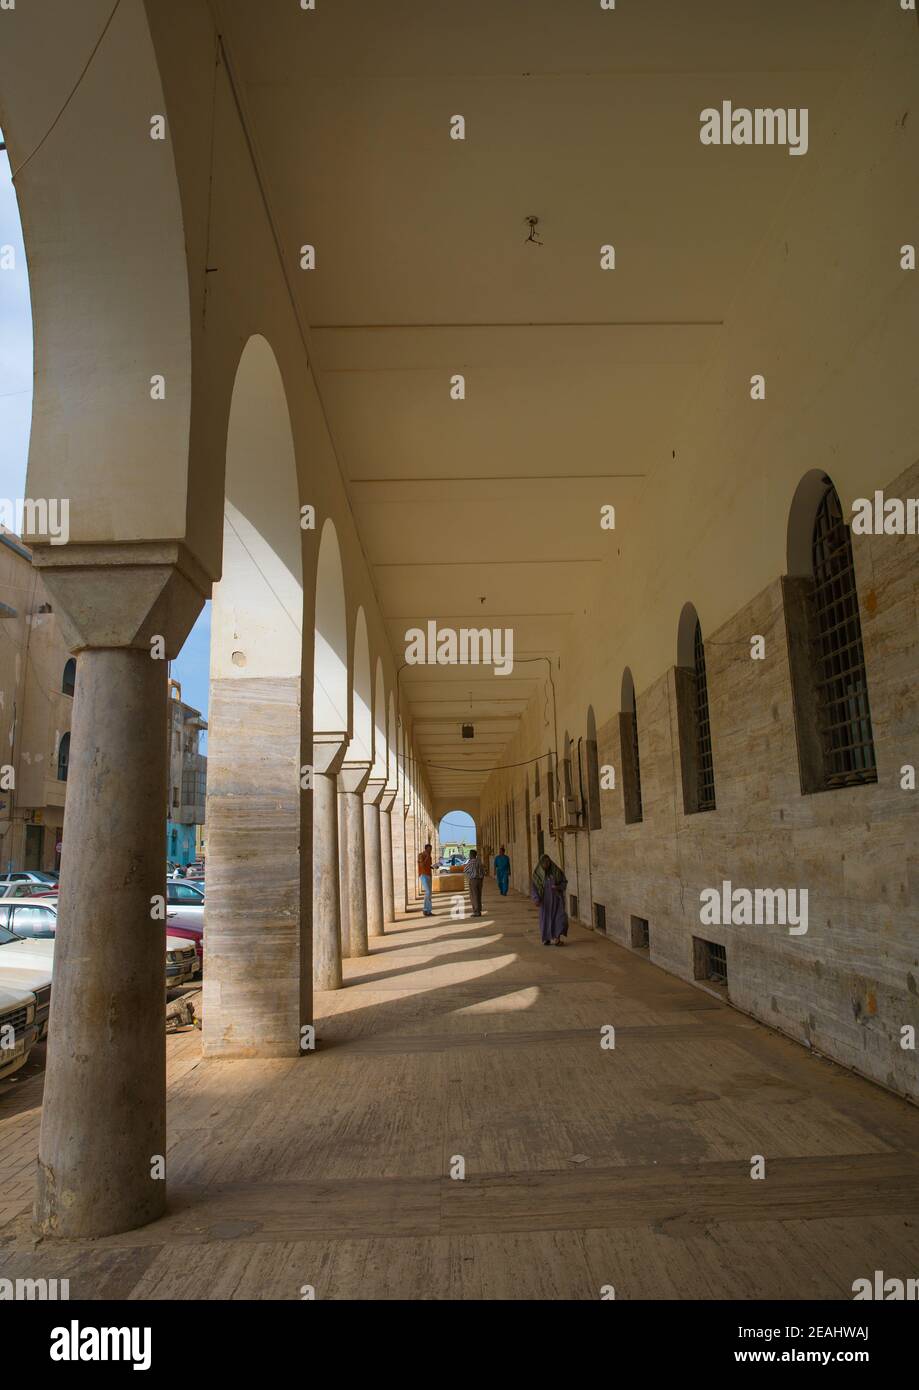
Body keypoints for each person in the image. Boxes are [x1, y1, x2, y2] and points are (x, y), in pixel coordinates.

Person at [530, 853, 569, 946]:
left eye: (548, 862)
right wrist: (536, 899)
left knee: (559, 919)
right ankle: (546, 938)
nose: (546, 864)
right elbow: (534, 887)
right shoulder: (537, 874)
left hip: (557, 901)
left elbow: (564, 882)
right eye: (544, 863)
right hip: (545, 902)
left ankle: (557, 939)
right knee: (546, 920)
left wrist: (558, 887)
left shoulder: (556, 871)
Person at [464, 848, 486, 917]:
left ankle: (476, 912)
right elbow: (483, 871)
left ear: (471, 855)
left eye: (469, 854)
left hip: (473, 880)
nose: (469, 855)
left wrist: (470, 874)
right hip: (480, 880)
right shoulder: (479, 861)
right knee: (479, 895)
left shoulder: (470, 862)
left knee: (474, 896)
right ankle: (479, 910)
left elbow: (465, 870)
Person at [417, 842, 433, 917]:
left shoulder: (430, 857)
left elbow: (429, 866)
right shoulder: (421, 855)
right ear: (425, 849)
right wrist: (427, 857)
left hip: (429, 875)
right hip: (423, 875)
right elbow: (422, 864)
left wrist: (434, 866)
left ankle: (429, 911)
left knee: (430, 893)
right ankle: (425, 909)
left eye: (431, 850)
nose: (430, 851)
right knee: (428, 892)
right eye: (429, 850)